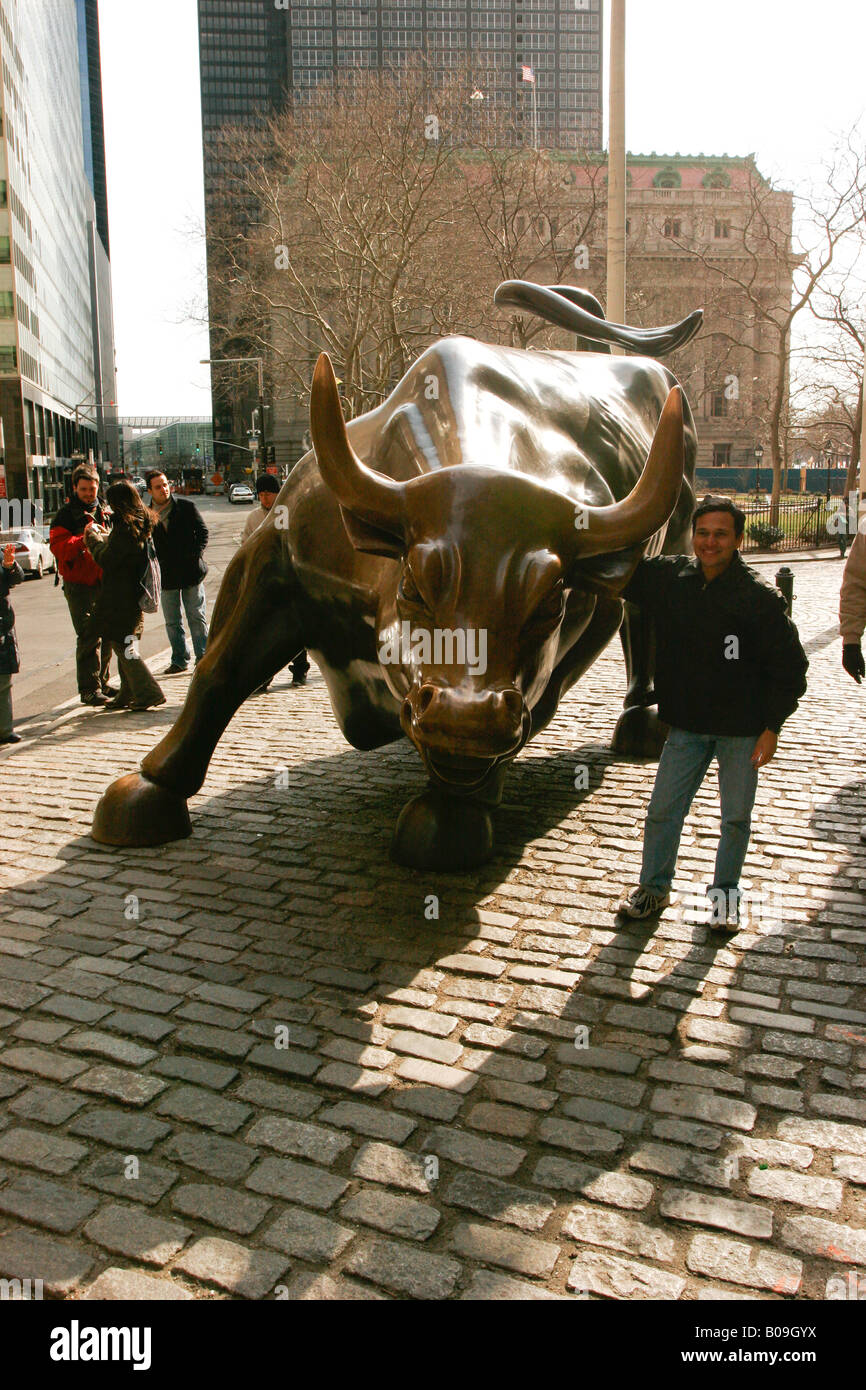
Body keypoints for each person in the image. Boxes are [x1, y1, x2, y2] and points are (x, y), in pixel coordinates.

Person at [617, 496, 808, 931]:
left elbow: (792, 668)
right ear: (693, 535)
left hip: (741, 731)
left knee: (735, 819)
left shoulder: (759, 597)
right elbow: (619, 569)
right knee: (663, 810)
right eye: (702, 533)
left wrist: (771, 728)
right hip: (686, 726)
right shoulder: (670, 578)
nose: (709, 542)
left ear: (738, 539)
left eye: (721, 534)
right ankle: (652, 890)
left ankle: (724, 901)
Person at [83, 479, 166, 711]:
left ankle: (149, 692)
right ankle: (128, 694)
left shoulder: (126, 529)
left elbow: (107, 559)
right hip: (132, 597)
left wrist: (94, 540)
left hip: (120, 600)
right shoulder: (141, 523)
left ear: (118, 503)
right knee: (128, 646)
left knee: (126, 649)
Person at [49, 464, 117, 705]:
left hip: (104, 579)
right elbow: (58, 548)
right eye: (84, 489)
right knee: (89, 636)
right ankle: (89, 690)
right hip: (79, 584)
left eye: (93, 488)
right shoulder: (66, 515)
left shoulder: (105, 510)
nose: (89, 493)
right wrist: (85, 535)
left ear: (99, 486)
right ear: (75, 488)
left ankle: (103, 683)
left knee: (108, 633)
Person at [242, 474, 309, 689]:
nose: (265, 498)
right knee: (266, 632)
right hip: (265, 581)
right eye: (261, 494)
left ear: (278, 493)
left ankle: (299, 671)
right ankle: (264, 676)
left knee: (294, 629)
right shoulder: (253, 517)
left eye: (268, 494)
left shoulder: (290, 512)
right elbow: (246, 545)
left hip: (290, 579)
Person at [146, 470, 209, 675]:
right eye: (158, 486)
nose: (163, 489)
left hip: (191, 572)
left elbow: (203, 533)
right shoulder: (146, 515)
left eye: (165, 484)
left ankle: (204, 656)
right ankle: (179, 659)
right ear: (149, 491)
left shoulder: (186, 507)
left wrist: (195, 555)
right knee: (172, 621)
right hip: (166, 577)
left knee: (196, 616)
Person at [0, 541, 24, 744]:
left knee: (3, 680)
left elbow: (18, 577)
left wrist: (10, 566)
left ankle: (5, 730)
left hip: (1, 623)